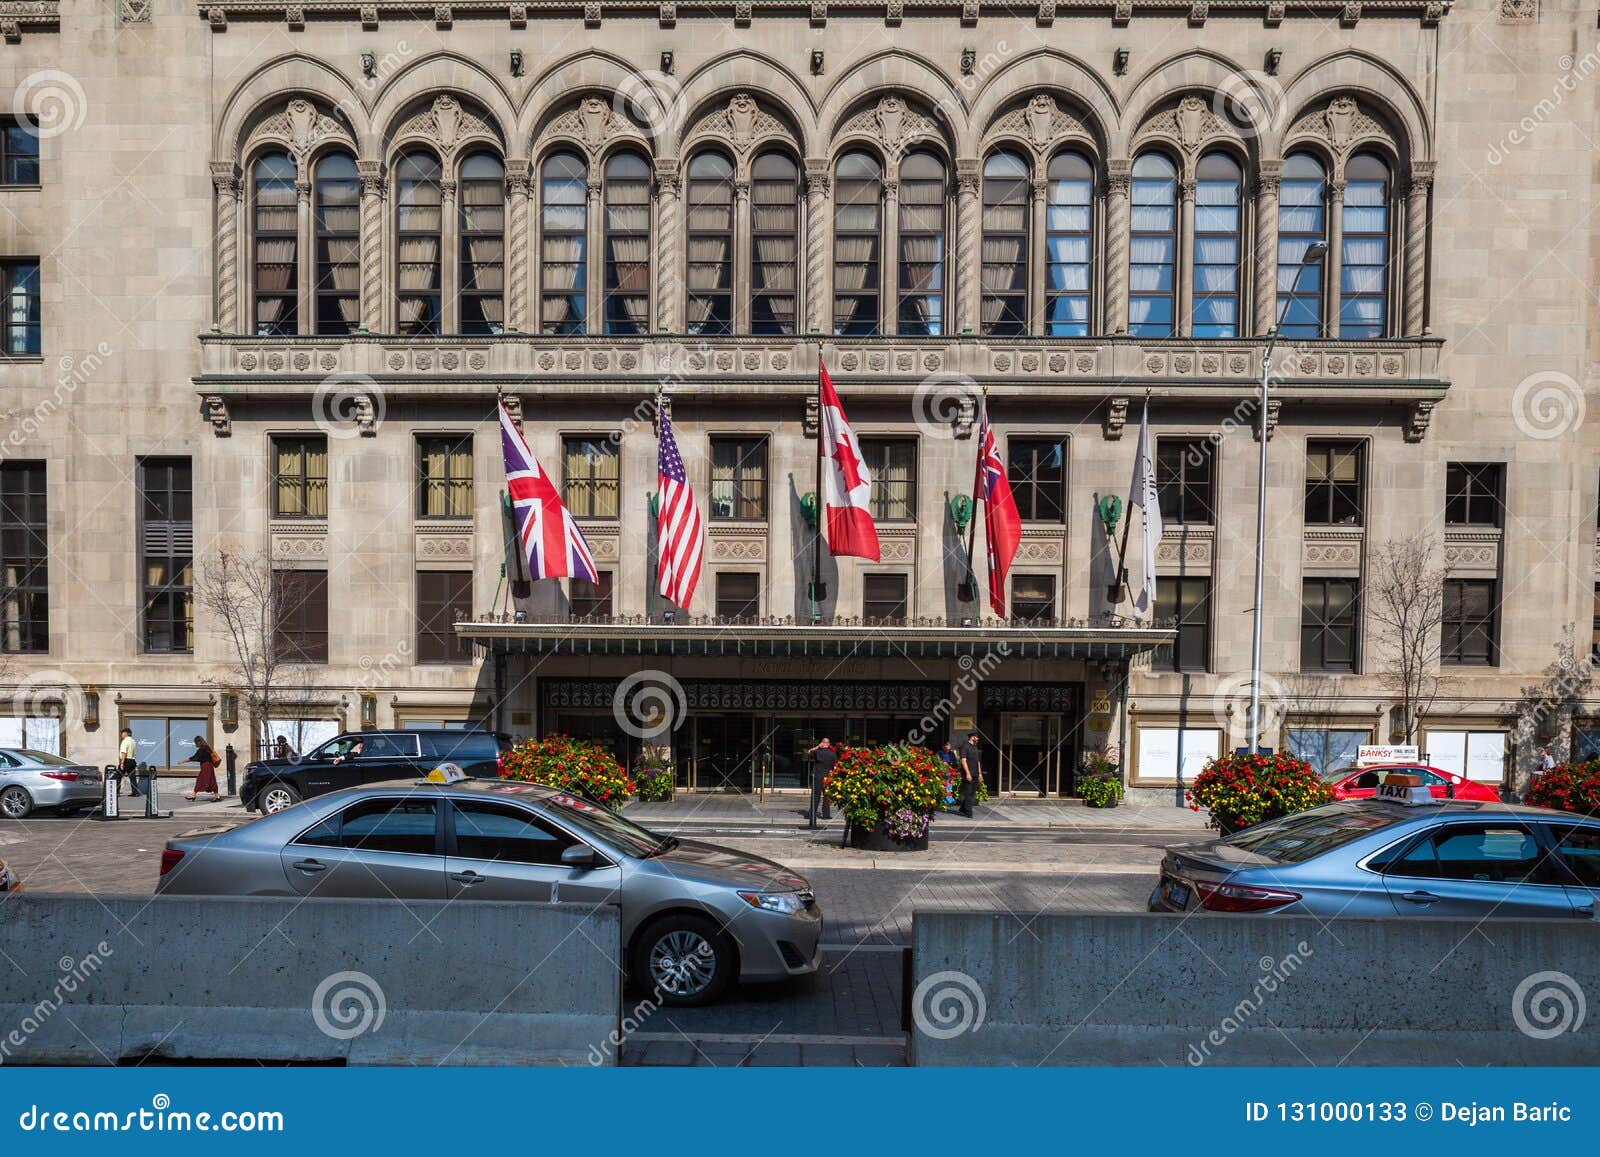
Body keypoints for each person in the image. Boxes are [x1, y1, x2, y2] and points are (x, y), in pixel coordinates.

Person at [805, 737, 838, 828]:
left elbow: (808, 752)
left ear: (822, 743)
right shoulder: (832, 754)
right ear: (829, 744)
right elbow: (835, 766)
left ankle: (812, 816)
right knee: (827, 796)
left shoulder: (817, 752)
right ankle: (826, 814)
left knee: (815, 797)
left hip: (817, 777)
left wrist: (817, 747)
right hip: (828, 777)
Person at [183, 736, 221, 802]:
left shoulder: (202, 749)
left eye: (196, 743)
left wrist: (183, 761)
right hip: (207, 766)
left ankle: (216, 795)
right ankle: (194, 795)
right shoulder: (207, 748)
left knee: (209, 781)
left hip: (206, 767)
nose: (195, 744)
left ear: (198, 742)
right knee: (205, 780)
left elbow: (195, 757)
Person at [957, 731, 983, 818]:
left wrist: (980, 773)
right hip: (968, 774)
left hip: (975, 773)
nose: (978, 739)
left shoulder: (975, 747)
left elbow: (978, 761)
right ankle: (969, 812)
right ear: (972, 737)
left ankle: (962, 808)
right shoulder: (965, 746)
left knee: (972, 793)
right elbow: (963, 760)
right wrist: (968, 773)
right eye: (977, 737)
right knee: (968, 793)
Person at [936, 740, 960, 810]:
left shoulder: (951, 754)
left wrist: (949, 763)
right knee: (943, 786)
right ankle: (945, 800)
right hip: (942, 772)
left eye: (949, 745)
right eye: (947, 745)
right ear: (943, 746)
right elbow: (936, 761)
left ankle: (948, 800)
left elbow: (955, 762)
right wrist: (942, 762)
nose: (948, 746)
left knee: (949, 786)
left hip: (950, 772)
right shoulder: (939, 753)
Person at [117, 727, 140, 798]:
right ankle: (135, 792)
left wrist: (122, 763)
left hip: (126, 760)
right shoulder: (133, 741)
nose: (121, 734)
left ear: (126, 733)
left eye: (122, 733)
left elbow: (124, 752)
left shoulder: (125, 741)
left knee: (118, 776)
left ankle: (116, 792)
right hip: (132, 761)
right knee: (132, 777)